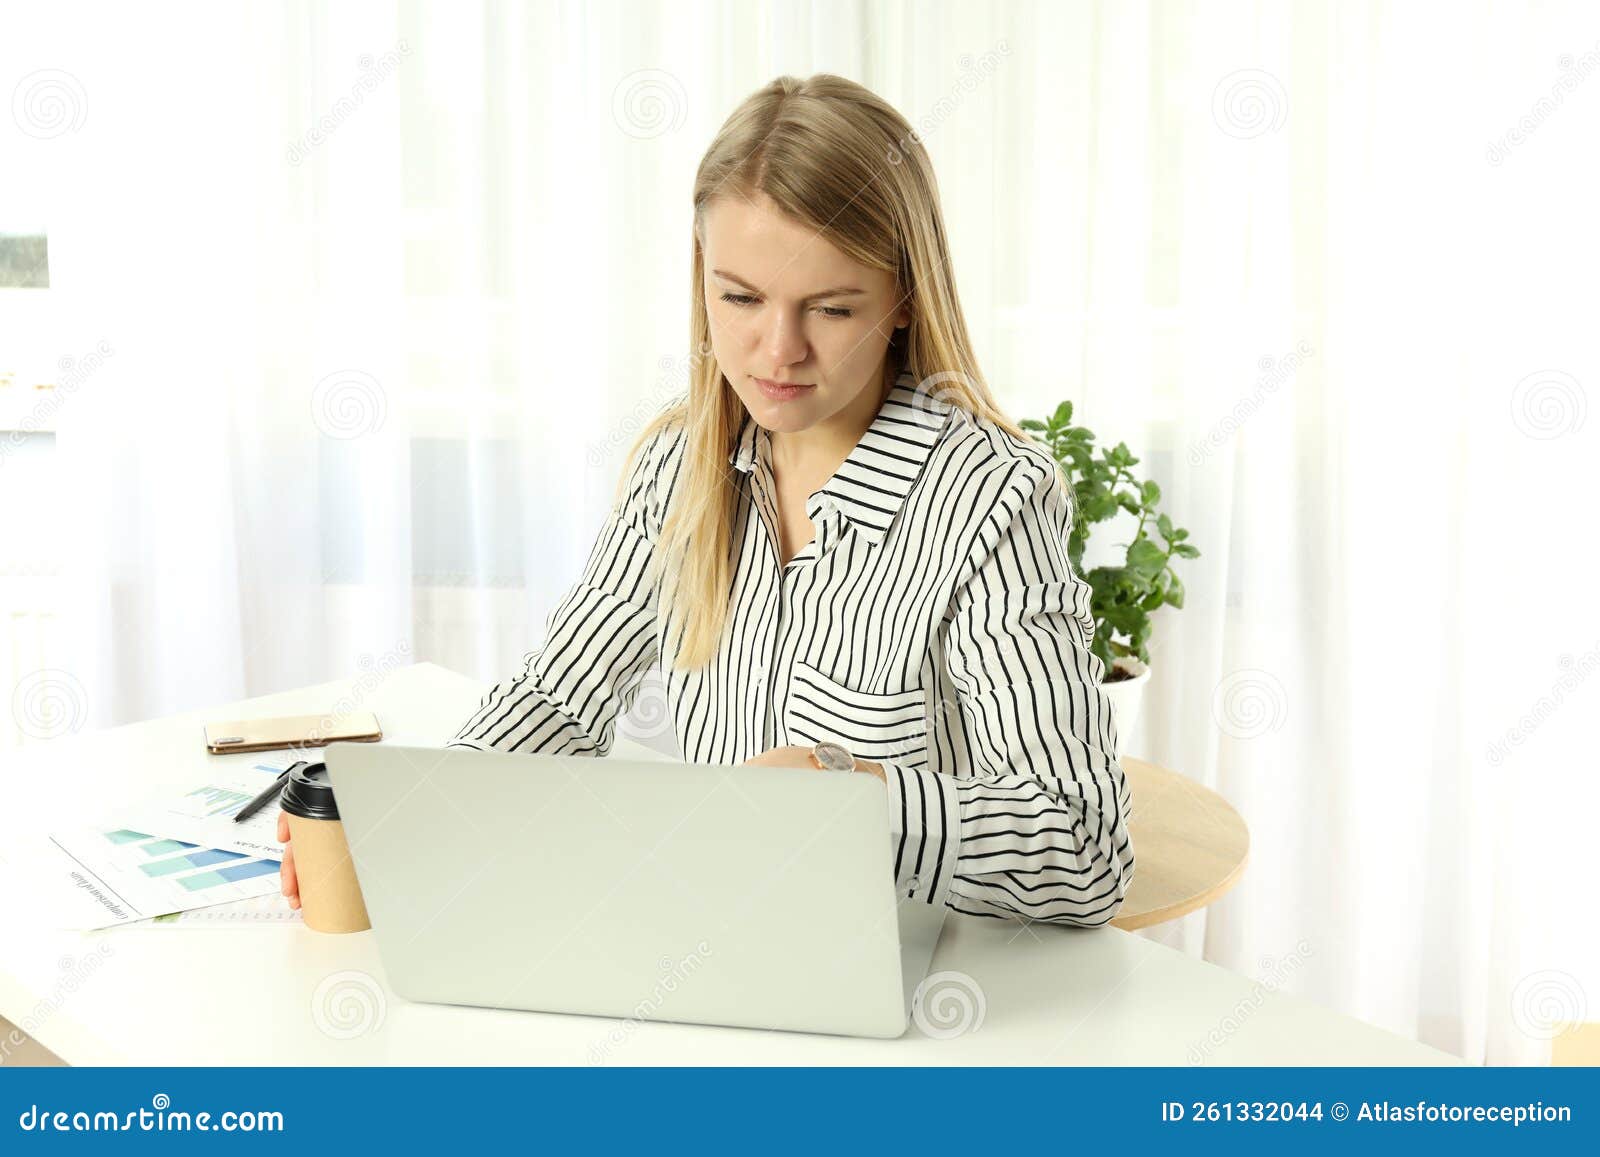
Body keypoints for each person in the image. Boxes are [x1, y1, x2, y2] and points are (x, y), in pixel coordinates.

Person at [281, 73, 1133, 927]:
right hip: (705, 951)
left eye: (832, 309)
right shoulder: (678, 464)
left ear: (906, 299)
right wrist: (412, 820)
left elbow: (1087, 849)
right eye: (739, 297)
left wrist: (858, 799)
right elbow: (556, 700)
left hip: (908, 998)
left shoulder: (990, 499)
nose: (778, 350)